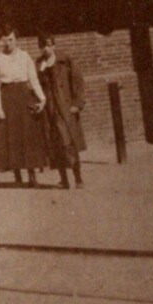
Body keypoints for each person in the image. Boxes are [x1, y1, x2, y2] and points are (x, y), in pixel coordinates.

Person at [0, 30, 49, 187]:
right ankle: (17, 174)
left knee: (27, 135)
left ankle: (32, 175)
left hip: (23, 96)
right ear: (1, 41)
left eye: (11, 39)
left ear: (16, 40)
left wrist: (42, 98)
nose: (8, 43)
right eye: (5, 40)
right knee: (11, 135)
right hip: (7, 97)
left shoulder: (25, 56)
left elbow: (33, 79)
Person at [36, 34, 87, 189]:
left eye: (50, 44)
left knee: (68, 142)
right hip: (49, 109)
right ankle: (63, 179)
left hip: (64, 108)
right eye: (44, 45)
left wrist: (77, 104)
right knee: (54, 144)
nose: (47, 48)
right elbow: (36, 86)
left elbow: (78, 82)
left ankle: (78, 178)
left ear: (54, 45)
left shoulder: (65, 61)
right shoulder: (39, 64)